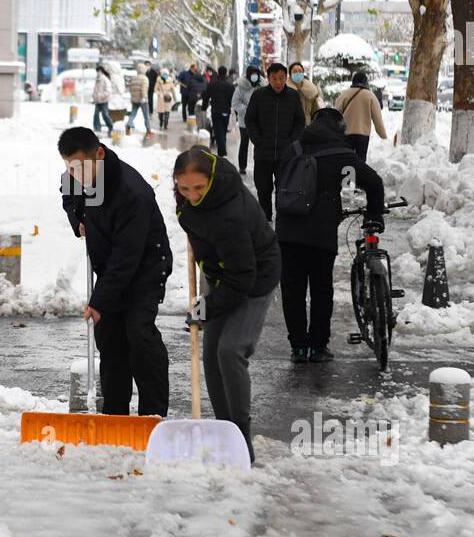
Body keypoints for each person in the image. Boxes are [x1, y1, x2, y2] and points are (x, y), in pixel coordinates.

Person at [174, 148, 281, 461]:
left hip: (254, 278)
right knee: (210, 353)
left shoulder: (230, 215)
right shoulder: (189, 198)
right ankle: (224, 430)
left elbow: (241, 279)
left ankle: (240, 437)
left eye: (198, 188)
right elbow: (197, 222)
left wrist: (206, 307)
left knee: (230, 350)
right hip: (223, 274)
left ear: (211, 180)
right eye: (184, 188)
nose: (191, 195)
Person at [59, 127, 172, 416]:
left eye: (80, 167)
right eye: (70, 167)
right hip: (111, 267)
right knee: (109, 338)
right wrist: (77, 221)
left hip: (145, 267)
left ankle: (152, 414)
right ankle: (115, 413)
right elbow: (68, 195)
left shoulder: (132, 193)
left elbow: (127, 257)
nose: (75, 175)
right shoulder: (78, 174)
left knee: (138, 334)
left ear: (99, 154)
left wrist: (98, 302)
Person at [275, 107, 385, 363]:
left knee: (292, 290)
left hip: (288, 230)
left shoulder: (294, 149)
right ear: (339, 128)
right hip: (320, 233)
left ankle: (299, 348)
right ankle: (317, 347)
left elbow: (279, 181)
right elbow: (374, 182)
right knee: (321, 289)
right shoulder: (341, 153)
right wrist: (374, 215)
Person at [244, 62, 306, 220]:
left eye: (281, 78)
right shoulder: (259, 95)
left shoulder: (293, 96)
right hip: (263, 153)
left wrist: (292, 142)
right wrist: (257, 140)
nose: (278, 82)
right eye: (274, 78)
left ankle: (282, 219)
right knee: (263, 188)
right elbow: (250, 119)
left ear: (286, 78)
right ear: (268, 78)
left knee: (283, 188)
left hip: (285, 155)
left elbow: (300, 121)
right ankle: (265, 218)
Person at [334, 71, 387, 161]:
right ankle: (358, 175)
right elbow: (377, 118)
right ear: (366, 82)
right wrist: (383, 135)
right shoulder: (370, 96)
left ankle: (346, 174)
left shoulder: (345, 94)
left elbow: (335, 113)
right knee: (360, 162)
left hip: (346, 134)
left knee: (346, 160)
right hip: (362, 135)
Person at [230, 65, 262, 176]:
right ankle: (242, 166)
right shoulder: (241, 87)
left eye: (256, 74)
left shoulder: (262, 86)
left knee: (259, 144)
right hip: (245, 122)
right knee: (244, 143)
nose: (255, 76)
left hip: (260, 122)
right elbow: (235, 103)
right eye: (252, 74)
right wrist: (247, 110)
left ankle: (259, 166)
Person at [201, 65, 236, 158]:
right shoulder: (230, 86)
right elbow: (233, 99)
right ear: (226, 73)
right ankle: (222, 150)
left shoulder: (212, 84)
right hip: (225, 111)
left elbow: (206, 96)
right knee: (223, 130)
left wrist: (204, 107)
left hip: (215, 110)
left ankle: (222, 152)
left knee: (218, 130)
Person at [125, 62, 152, 135]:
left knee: (133, 114)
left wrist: (133, 97)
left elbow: (130, 89)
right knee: (146, 116)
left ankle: (128, 126)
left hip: (134, 100)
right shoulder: (145, 78)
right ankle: (148, 130)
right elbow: (144, 89)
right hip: (143, 100)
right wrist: (144, 97)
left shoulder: (134, 78)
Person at [91, 64, 114, 133]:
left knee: (105, 115)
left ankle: (111, 127)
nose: (97, 72)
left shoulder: (105, 79)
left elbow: (108, 91)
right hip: (98, 101)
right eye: (97, 71)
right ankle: (97, 128)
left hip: (104, 100)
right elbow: (95, 90)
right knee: (96, 115)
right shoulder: (97, 79)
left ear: (101, 71)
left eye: (98, 71)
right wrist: (94, 97)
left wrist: (101, 96)